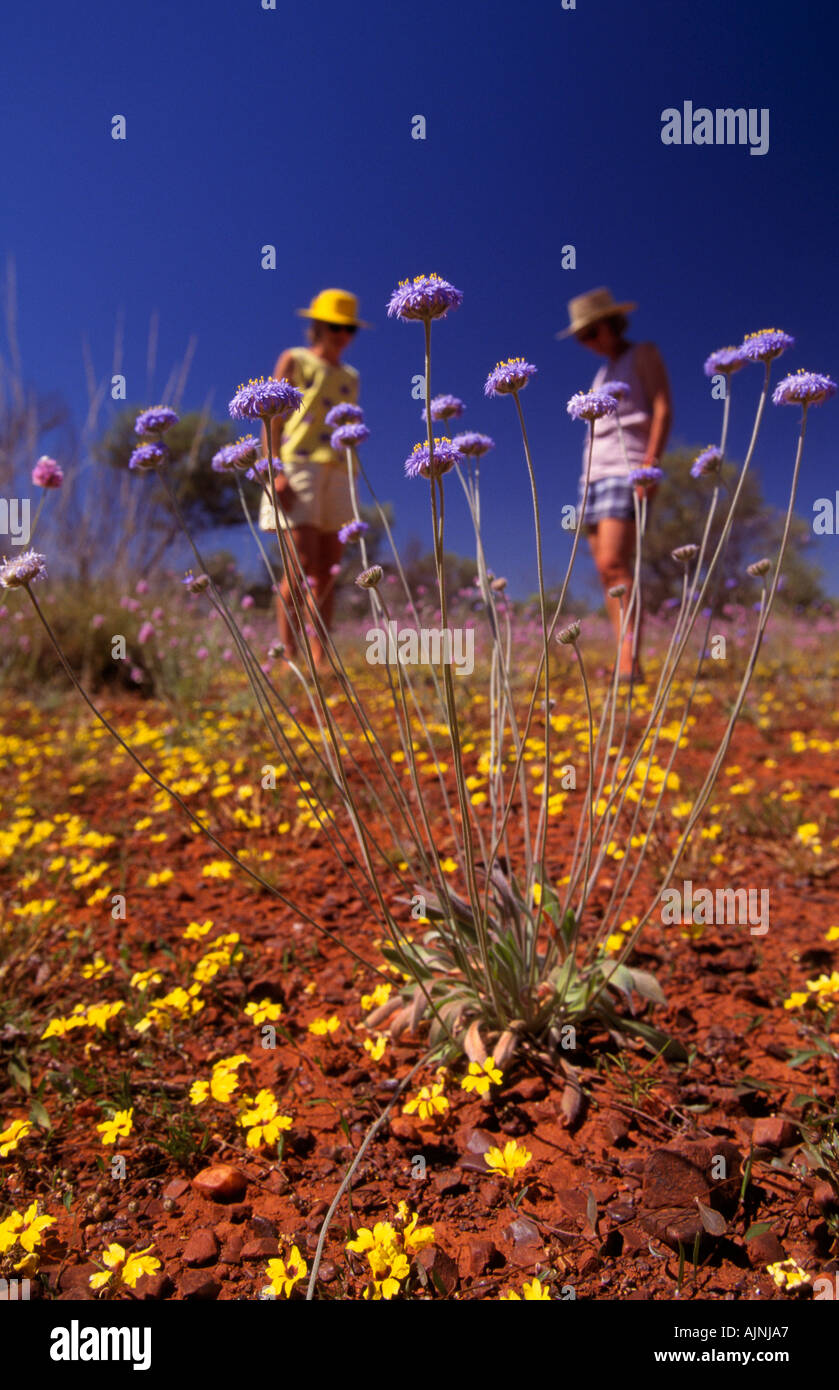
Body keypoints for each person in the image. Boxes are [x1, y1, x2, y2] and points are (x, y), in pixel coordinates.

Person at [558, 287, 672, 681]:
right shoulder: (601, 374)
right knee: (605, 573)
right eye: (580, 339)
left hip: (628, 466)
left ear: (611, 324)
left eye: (591, 334)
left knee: (615, 563)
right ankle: (626, 656)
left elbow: (661, 405)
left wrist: (650, 464)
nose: (587, 344)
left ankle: (629, 661)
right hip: (591, 477)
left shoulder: (644, 354)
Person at [258, 288, 370, 672]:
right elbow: (272, 418)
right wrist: (275, 471)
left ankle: (321, 659)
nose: (342, 335)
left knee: (329, 572)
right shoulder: (296, 359)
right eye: (335, 326)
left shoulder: (350, 376)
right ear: (318, 326)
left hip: (340, 473)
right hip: (298, 465)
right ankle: (291, 657)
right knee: (300, 568)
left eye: (349, 329)